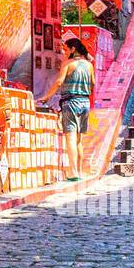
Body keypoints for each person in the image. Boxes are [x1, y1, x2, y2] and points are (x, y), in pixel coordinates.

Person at [45, 38, 94, 182]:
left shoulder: (68, 64)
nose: (64, 52)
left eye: (66, 49)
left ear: (73, 49)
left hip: (71, 102)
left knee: (71, 137)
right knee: (79, 139)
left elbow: (59, 82)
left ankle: (73, 173)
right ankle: (79, 171)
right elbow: (93, 83)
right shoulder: (89, 65)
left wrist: (46, 97)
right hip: (85, 102)